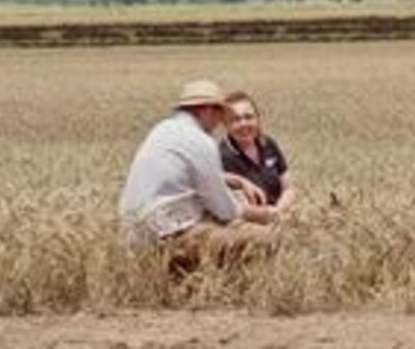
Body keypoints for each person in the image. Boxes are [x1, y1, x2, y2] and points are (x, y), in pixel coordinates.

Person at [118, 79, 279, 264]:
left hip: (135, 237)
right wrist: (264, 214)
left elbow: (188, 176)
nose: (220, 121)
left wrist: (238, 181)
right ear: (206, 110)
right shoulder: (200, 141)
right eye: (220, 112)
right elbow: (225, 210)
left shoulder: (161, 130)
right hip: (167, 239)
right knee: (263, 239)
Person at [220, 90, 297, 215]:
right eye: (235, 119)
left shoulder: (268, 144)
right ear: (226, 124)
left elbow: (288, 187)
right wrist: (268, 214)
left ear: (257, 118)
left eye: (248, 117)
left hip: (280, 214)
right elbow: (234, 207)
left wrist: (279, 210)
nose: (243, 124)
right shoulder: (222, 156)